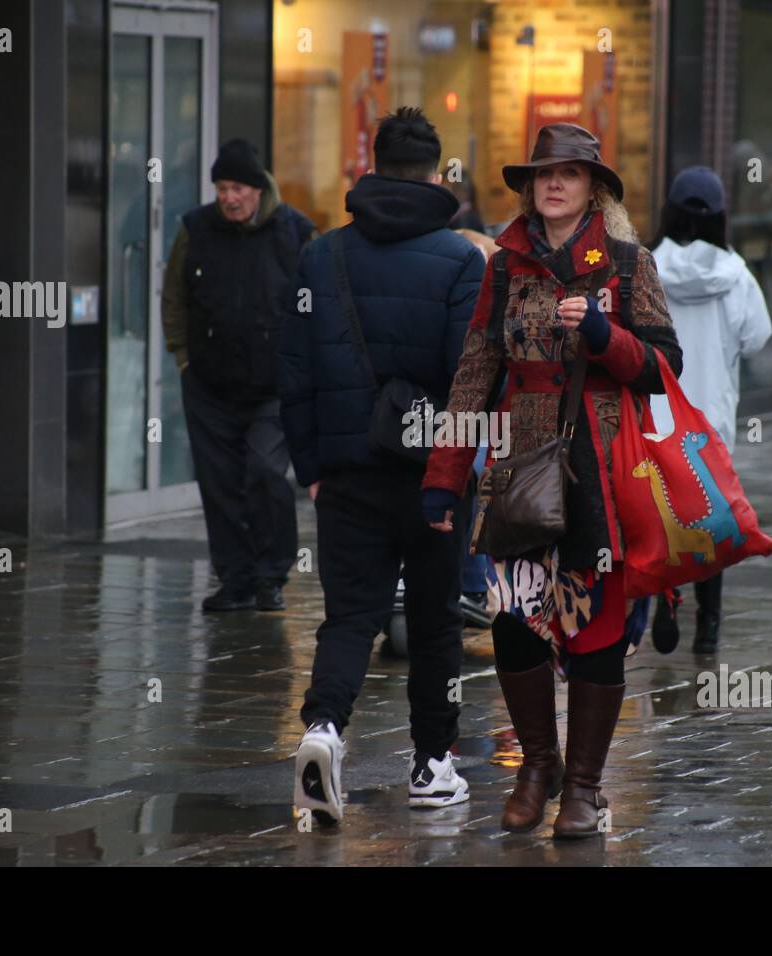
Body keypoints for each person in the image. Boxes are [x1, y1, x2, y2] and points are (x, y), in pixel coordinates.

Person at [421, 123, 682, 838]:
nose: (554, 184)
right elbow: (475, 370)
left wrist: (604, 337)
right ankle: (538, 765)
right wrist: (444, 476)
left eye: (569, 172)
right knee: (514, 622)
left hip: (600, 468)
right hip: (517, 468)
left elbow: (665, 371)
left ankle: (585, 789)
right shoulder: (503, 265)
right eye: (543, 174)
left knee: (594, 628)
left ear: (594, 185)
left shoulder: (628, 264)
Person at [280, 107, 485, 825]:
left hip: (346, 472)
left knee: (350, 617)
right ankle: (432, 767)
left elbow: (295, 370)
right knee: (433, 624)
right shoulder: (462, 260)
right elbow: (470, 378)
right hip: (434, 477)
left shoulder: (319, 255)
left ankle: (323, 732)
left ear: (371, 161)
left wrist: (312, 463)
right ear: (436, 173)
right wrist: (461, 473)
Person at [162, 139, 314, 613]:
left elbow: (315, 304)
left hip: (273, 387)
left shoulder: (294, 232)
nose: (229, 197)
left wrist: (304, 369)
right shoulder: (195, 229)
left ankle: (272, 575)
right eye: (222, 188)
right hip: (209, 384)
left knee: (266, 472)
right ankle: (236, 580)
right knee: (220, 483)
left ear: (258, 189)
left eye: (238, 189)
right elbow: (174, 297)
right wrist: (183, 358)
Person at [646, 166, 772, 654]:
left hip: (660, 415)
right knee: (712, 521)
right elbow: (758, 339)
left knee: (661, 512)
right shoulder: (736, 274)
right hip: (712, 420)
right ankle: (710, 624)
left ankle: (665, 596)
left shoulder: (648, 266)